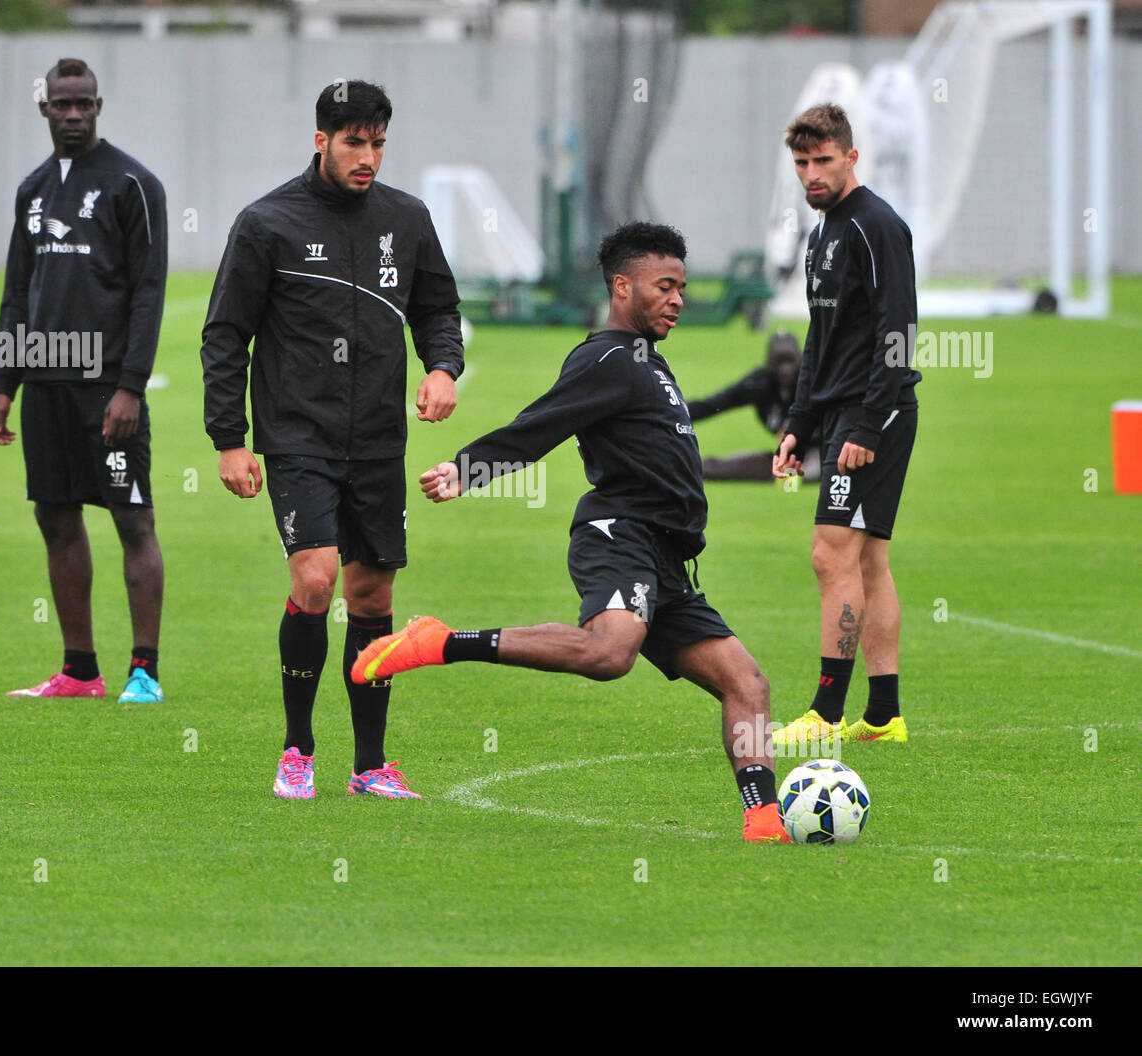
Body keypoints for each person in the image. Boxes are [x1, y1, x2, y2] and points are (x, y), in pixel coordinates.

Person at [351, 222, 791, 843]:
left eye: (682, 288)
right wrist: (467, 469)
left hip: (666, 561)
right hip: (622, 536)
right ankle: (441, 641)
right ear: (622, 286)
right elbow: (542, 425)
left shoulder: (646, 361)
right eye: (664, 286)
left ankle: (764, 820)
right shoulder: (606, 358)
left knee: (747, 682)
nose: (677, 299)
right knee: (609, 653)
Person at [200, 81, 464, 801]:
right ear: (320, 140)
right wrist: (230, 438)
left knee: (371, 593)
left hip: (378, 438)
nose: (368, 157)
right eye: (354, 142)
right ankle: (297, 749)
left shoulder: (406, 219)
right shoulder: (267, 223)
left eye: (378, 142)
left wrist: (444, 367)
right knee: (315, 580)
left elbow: (438, 307)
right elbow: (227, 334)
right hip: (297, 436)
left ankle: (370, 764)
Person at [0, 57, 167, 705]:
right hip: (45, 385)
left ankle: (143, 671)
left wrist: (130, 387)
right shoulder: (32, 189)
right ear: (44, 109)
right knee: (56, 517)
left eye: (83, 104)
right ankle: (79, 670)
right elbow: (17, 289)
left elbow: (149, 292)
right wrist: (4, 381)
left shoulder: (133, 183)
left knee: (132, 520)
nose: (72, 114)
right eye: (62, 105)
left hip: (106, 389)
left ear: (98, 106)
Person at [771, 103, 921, 746]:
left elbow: (899, 330)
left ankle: (825, 713)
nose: (812, 174)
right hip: (836, 414)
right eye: (802, 163)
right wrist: (798, 422)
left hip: (872, 415)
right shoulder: (822, 233)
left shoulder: (877, 226)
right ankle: (884, 716)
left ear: (851, 157)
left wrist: (864, 423)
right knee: (869, 561)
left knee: (830, 555)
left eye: (823, 161)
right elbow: (820, 338)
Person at [688, 330, 819, 482]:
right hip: (783, 457)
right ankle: (689, 468)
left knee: (806, 474)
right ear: (769, 362)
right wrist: (673, 414)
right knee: (710, 469)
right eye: (780, 362)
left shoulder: (814, 380)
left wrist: (801, 429)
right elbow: (712, 405)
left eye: (789, 361)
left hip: (823, 450)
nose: (785, 369)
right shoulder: (758, 384)